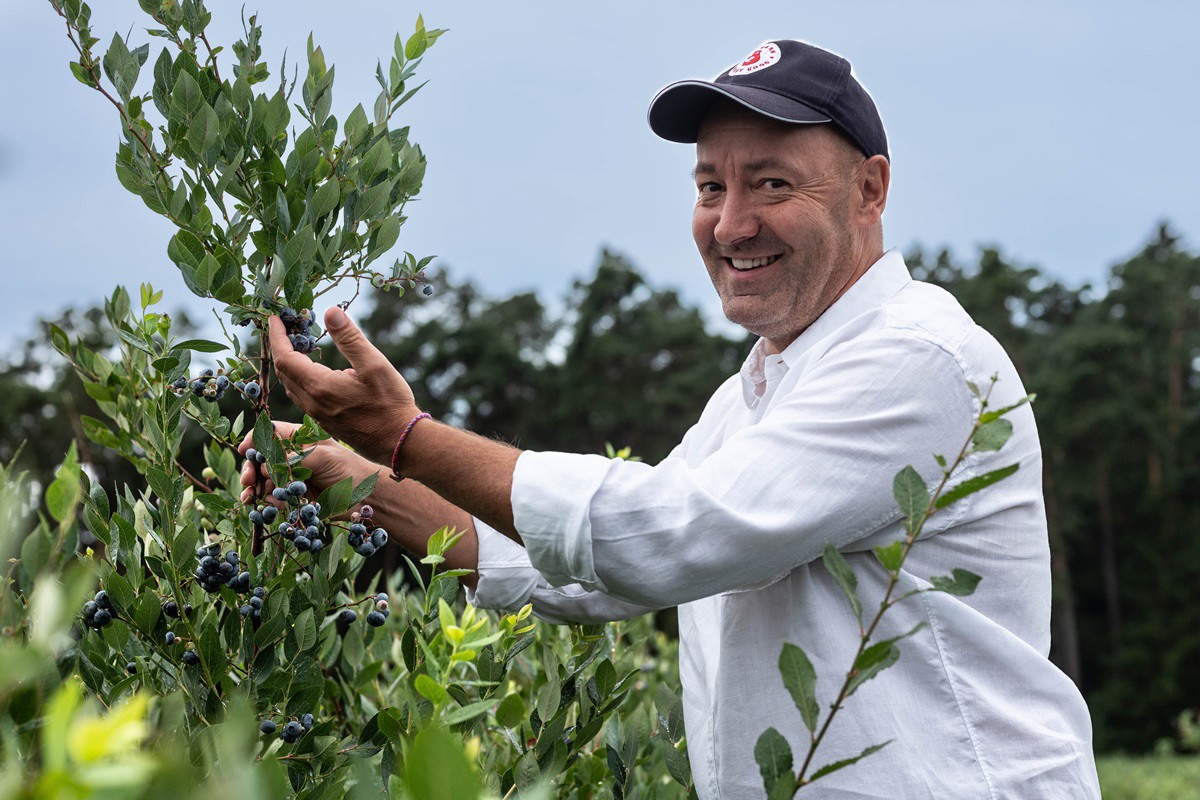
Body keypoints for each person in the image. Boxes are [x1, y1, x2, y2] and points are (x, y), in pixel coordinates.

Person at [241, 39, 1101, 799]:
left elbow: (662, 536)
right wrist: (366, 484)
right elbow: (584, 574)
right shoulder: (757, 394)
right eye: (709, 185)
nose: (731, 223)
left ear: (869, 189)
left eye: (771, 182)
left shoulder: (915, 358)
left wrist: (405, 436)